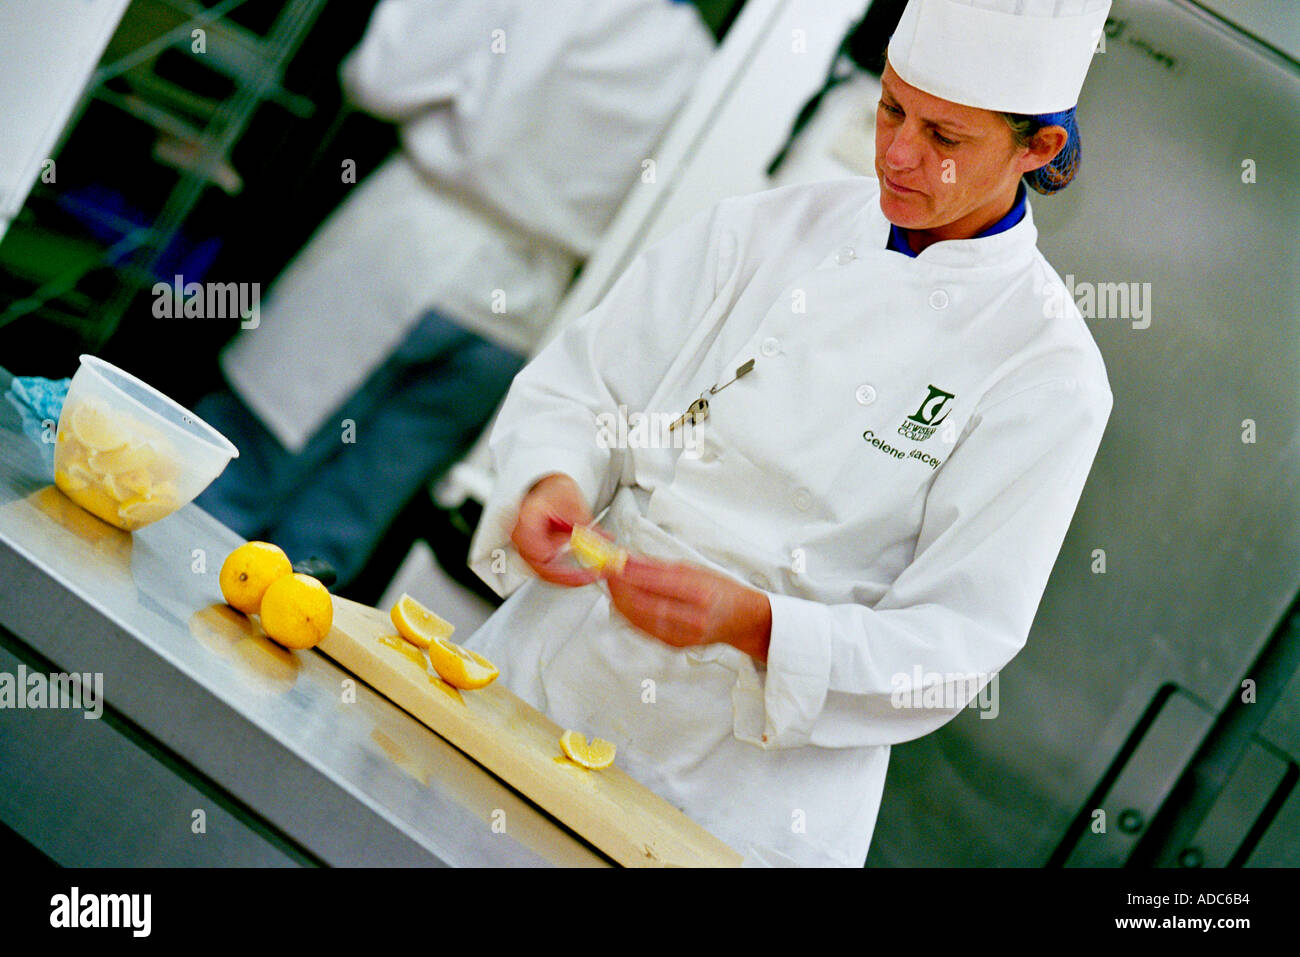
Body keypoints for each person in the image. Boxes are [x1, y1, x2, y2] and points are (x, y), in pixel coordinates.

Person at [465, 0, 1115, 866]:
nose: (897, 151)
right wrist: (557, 477)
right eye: (890, 108)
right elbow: (590, 386)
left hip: (740, 795)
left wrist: (761, 625)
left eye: (945, 138)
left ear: (1035, 149)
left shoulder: (1047, 370)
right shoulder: (773, 228)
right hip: (551, 677)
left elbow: (956, 645)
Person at [193, 0, 714, 587]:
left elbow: (379, 77)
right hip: (519, 318)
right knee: (330, 538)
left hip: (417, 249)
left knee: (234, 468)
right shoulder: (704, 62)